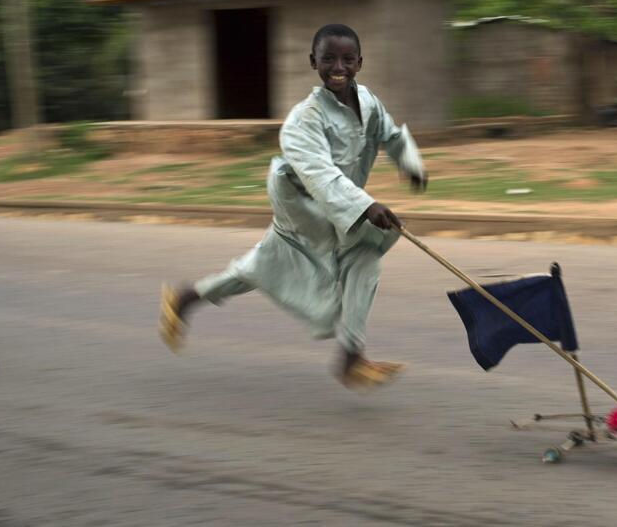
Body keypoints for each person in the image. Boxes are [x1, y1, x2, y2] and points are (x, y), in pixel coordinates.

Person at [159, 24, 427, 392]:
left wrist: (410, 164)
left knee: (266, 263)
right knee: (363, 251)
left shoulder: (367, 102)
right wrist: (366, 207)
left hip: (337, 204)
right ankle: (351, 358)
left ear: (360, 63)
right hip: (300, 201)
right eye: (329, 59)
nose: (338, 67)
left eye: (347, 59)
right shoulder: (304, 119)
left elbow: (392, 135)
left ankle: (184, 299)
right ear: (313, 62)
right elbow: (320, 174)